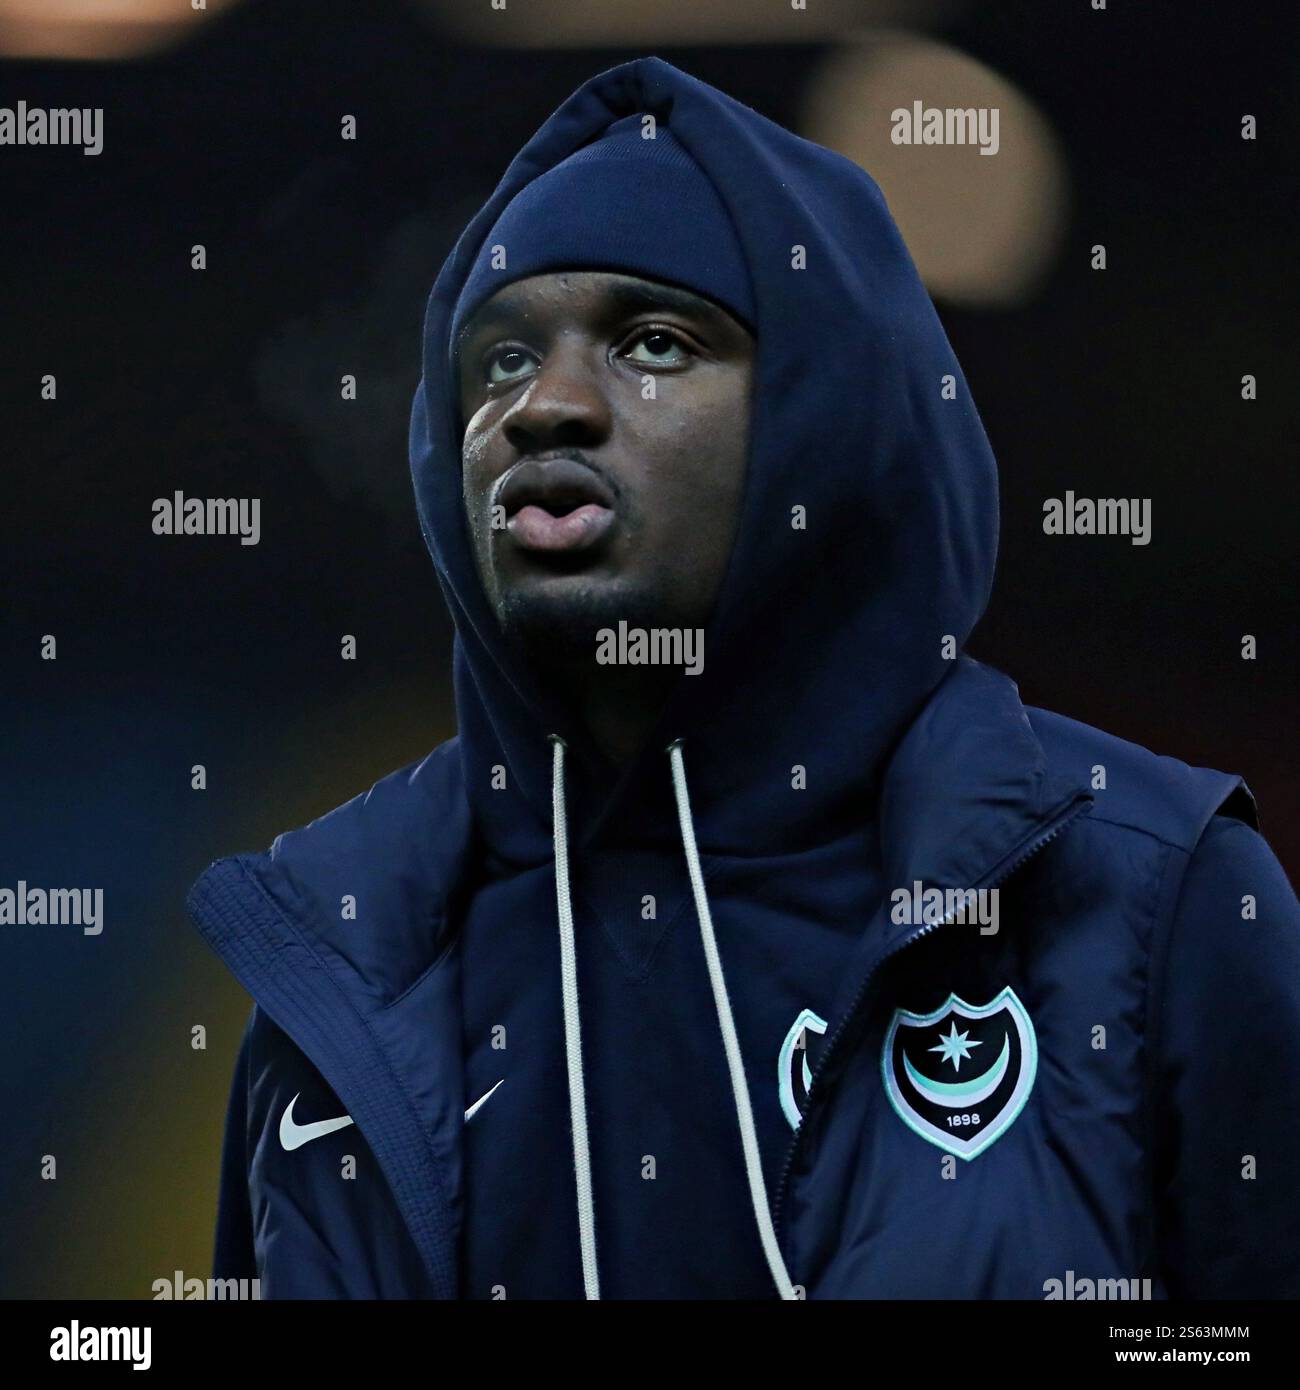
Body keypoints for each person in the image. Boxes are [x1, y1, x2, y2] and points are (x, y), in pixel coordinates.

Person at [189, 56, 1300, 1300]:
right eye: (498, 360)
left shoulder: (1151, 899)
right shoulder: (333, 962)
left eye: (654, 342)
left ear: (829, 427)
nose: (545, 405)